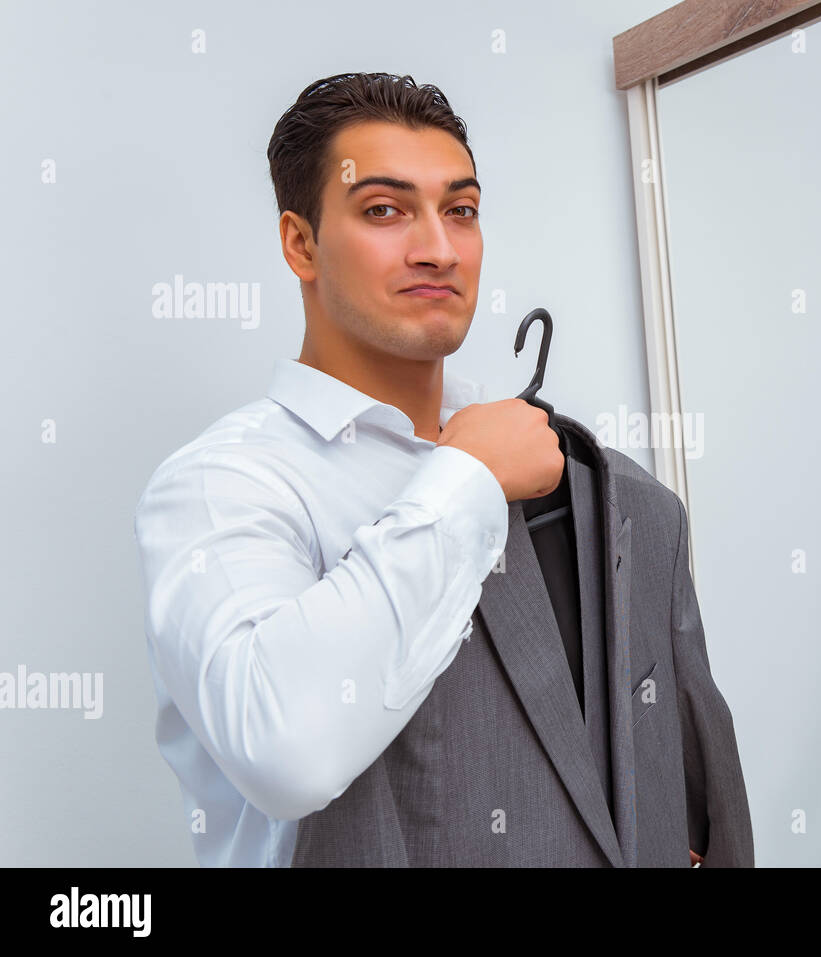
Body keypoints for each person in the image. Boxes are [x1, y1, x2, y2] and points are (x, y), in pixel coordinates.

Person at [133, 73, 745, 866]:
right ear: (301, 243)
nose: (439, 248)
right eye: (384, 210)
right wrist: (468, 477)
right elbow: (286, 746)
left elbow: (695, 805)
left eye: (460, 210)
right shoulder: (224, 487)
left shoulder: (616, 498)